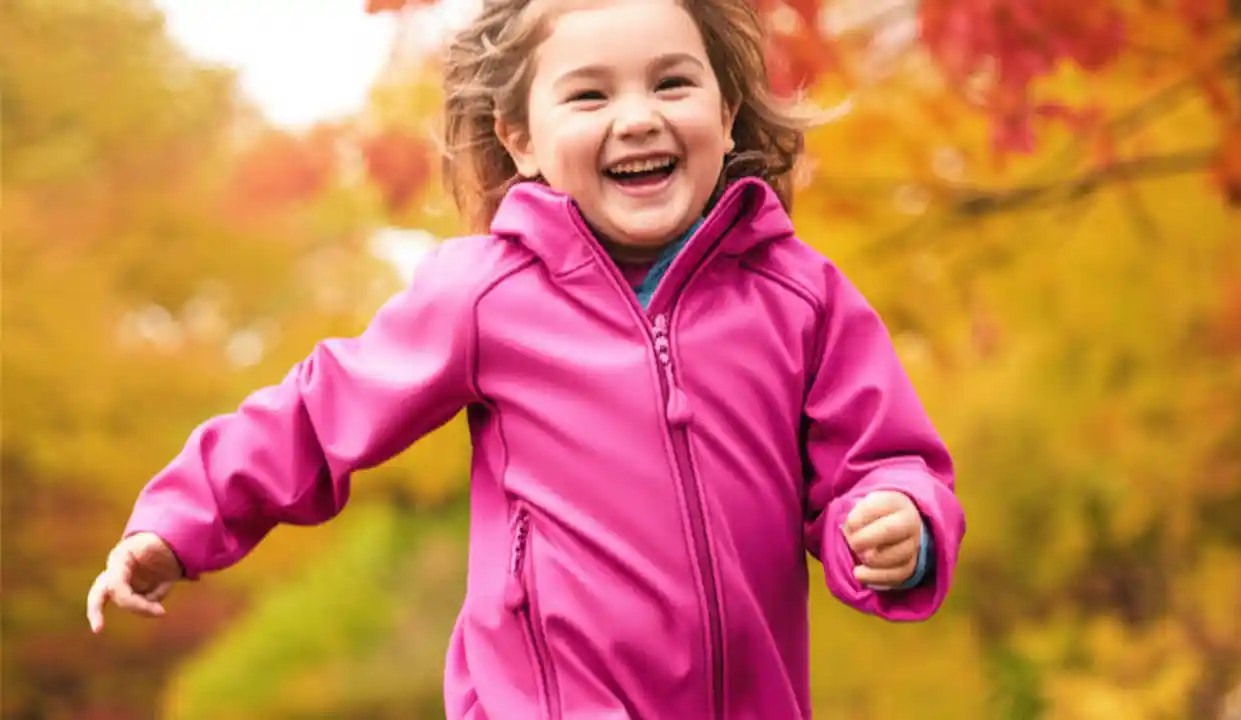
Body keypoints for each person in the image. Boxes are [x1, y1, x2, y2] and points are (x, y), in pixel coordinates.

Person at [86, 0, 966, 717]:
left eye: (673, 82)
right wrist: (178, 519)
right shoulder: (488, 294)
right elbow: (320, 414)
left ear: (726, 110)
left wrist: (899, 517)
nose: (638, 117)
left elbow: (883, 454)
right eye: (589, 97)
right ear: (521, 140)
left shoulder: (799, 295)